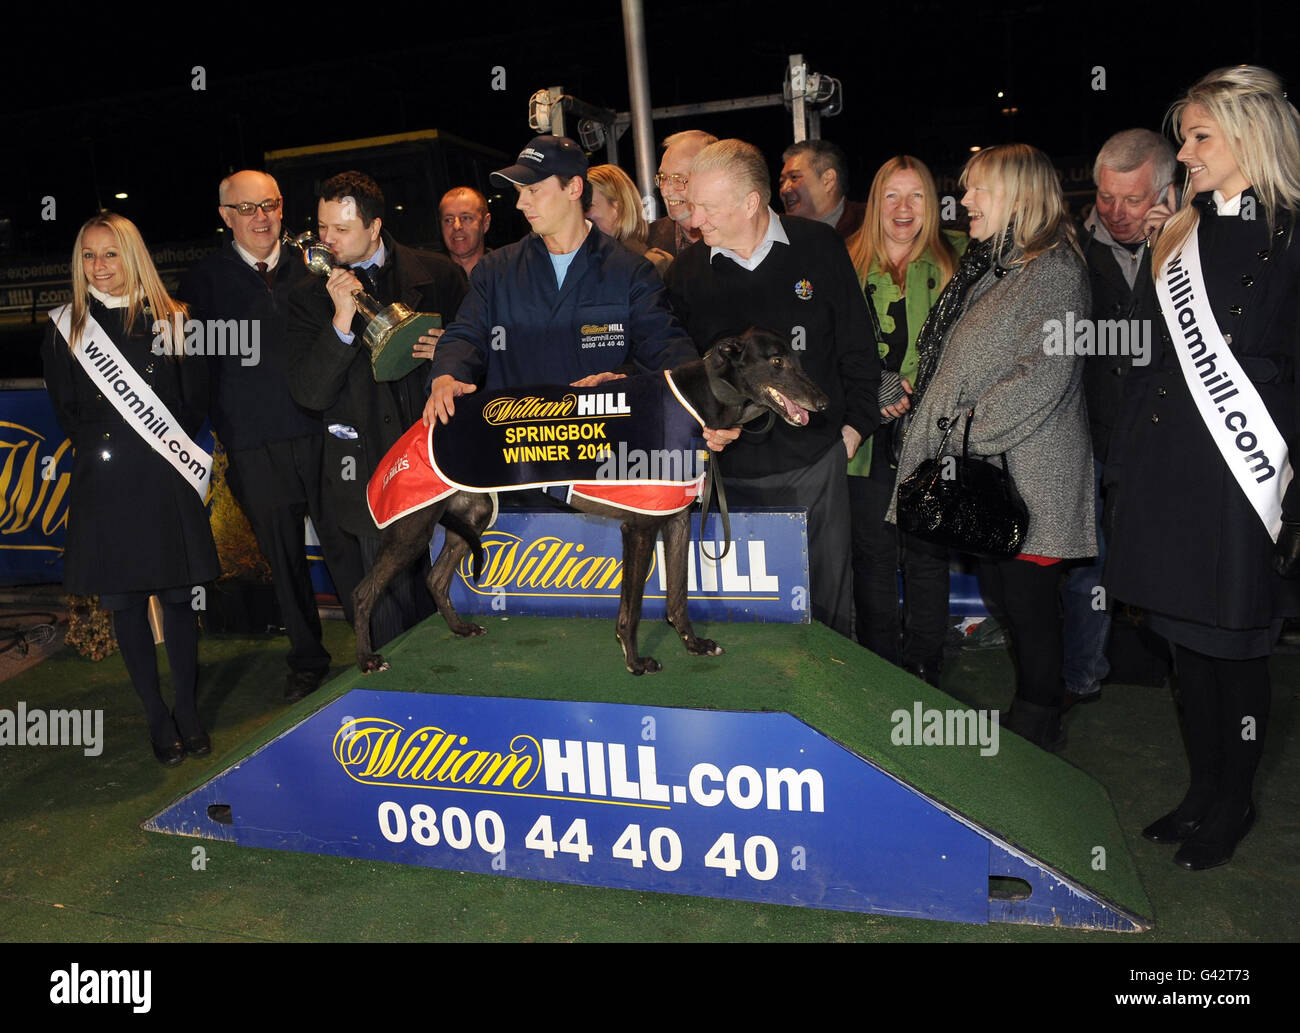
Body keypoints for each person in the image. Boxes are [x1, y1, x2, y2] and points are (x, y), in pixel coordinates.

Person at [1105, 66, 1300, 870]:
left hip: (1246, 469)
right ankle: (1200, 790)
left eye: (1198, 137)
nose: (1183, 153)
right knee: (1187, 645)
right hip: (1171, 465)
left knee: (1236, 643)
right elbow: (1144, 349)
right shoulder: (1175, 233)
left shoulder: (1292, 233)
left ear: (1249, 138)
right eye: (1185, 136)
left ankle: (1235, 799)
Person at [887, 143, 1095, 750]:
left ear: (1018, 196)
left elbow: (1045, 375)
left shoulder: (1053, 269)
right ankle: (1035, 707)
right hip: (995, 469)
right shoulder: (997, 264)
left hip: (1030, 470)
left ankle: (1039, 718)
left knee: (1028, 603)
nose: (964, 200)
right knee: (1008, 594)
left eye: (978, 189)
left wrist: (961, 430)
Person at [666, 138, 882, 639]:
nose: (694, 220)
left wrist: (853, 429)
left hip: (815, 467)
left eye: (706, 206)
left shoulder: (819, 247)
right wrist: (701, 435)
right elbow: (681, 378)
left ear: (750, 202)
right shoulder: (686, 273)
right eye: (692, 204)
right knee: (749, 619)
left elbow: (857, 345)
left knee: (827, 616)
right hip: (727, 477)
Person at [42, 213, 220, 765]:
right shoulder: (65, 326)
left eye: (110, 254)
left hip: (165, 476)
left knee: (177, 599)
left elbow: (193, 404)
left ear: (132, 255)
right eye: (89, 256)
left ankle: (186, 710)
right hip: (107, 484)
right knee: (124, 605)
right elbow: (68, 412)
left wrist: (156, 450)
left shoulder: (175, 320)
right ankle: (155, 716)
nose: (99, 267)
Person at [180, 169, 346, 703]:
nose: (261, 217)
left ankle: (383, 640)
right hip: (254, 445)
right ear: (226, 217)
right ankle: (307, 658)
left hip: (325, 435)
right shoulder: (201, 284)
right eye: (247, 208)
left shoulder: (316, 264)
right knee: (284, 560)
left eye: (269, 205)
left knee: (349, 547)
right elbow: (193, 370)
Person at [287, 171, 467, 651]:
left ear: (375, 227)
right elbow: (308, 393)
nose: (327, 240)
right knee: (384, 621)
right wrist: (341, 322)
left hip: (437, 469)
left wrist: (451, 353)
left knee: (444, 611)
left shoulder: (441, 276)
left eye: (341, 230)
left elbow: (482, 359)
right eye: (322, 228)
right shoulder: (305, 295)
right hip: (365, 479)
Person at [424, 135, 699, 428]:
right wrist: (447, 375)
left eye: (533, 190)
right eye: (519, 192)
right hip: (517, 454)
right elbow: (466, 335)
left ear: (574, 188)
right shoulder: (495, 271)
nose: (520, 203)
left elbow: (665, 349)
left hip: (601, 449)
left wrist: (639, 382)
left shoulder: (629, 271)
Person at [1064, 130, 1178, 709]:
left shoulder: (1193, 247)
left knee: (1171, 559)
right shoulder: (1072, 251)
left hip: (1169, 442)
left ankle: (1184, 670)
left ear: (1165, 192)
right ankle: (1081, 675)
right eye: (1107, 198)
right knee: (1090, 567)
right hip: (1093, 439)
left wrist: (1173, 246)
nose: (1116, 212)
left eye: (1132, 200)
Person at [844, 156, 966, 680]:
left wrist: (916, 389)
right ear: (875, 205)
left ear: (933, 205)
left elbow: (973, 345)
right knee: (871, 557)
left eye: (915, 195)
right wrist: (874, 386)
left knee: (925, 557)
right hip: (866, 435)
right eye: (891, 196)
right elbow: (828, 346)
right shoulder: (843, 261)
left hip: (932, 435)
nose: (903, 208)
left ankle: (924, 664)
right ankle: (878, 668)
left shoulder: (958, 260)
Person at [587, 164, 674, 276]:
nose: (580, 215)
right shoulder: (583, 263)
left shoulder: (653, 264)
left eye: (588, 206)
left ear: (617, 207)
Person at [646, 130, 717, 257]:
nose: (666, 191)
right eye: (662, 177)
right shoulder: (644, 242)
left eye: (679, 179)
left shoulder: (738, 238)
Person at [779, 140, 866, 239]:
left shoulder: (869, 223)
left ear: (828, 180)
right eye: (781, 182)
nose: (784, 189)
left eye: (794, 177)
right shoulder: (777, 234)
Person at [439, 186, 491, 277]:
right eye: (448, 220)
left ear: (485, 223)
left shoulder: (505, 271)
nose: (457, 226)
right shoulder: (431, 278)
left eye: (466, 218)